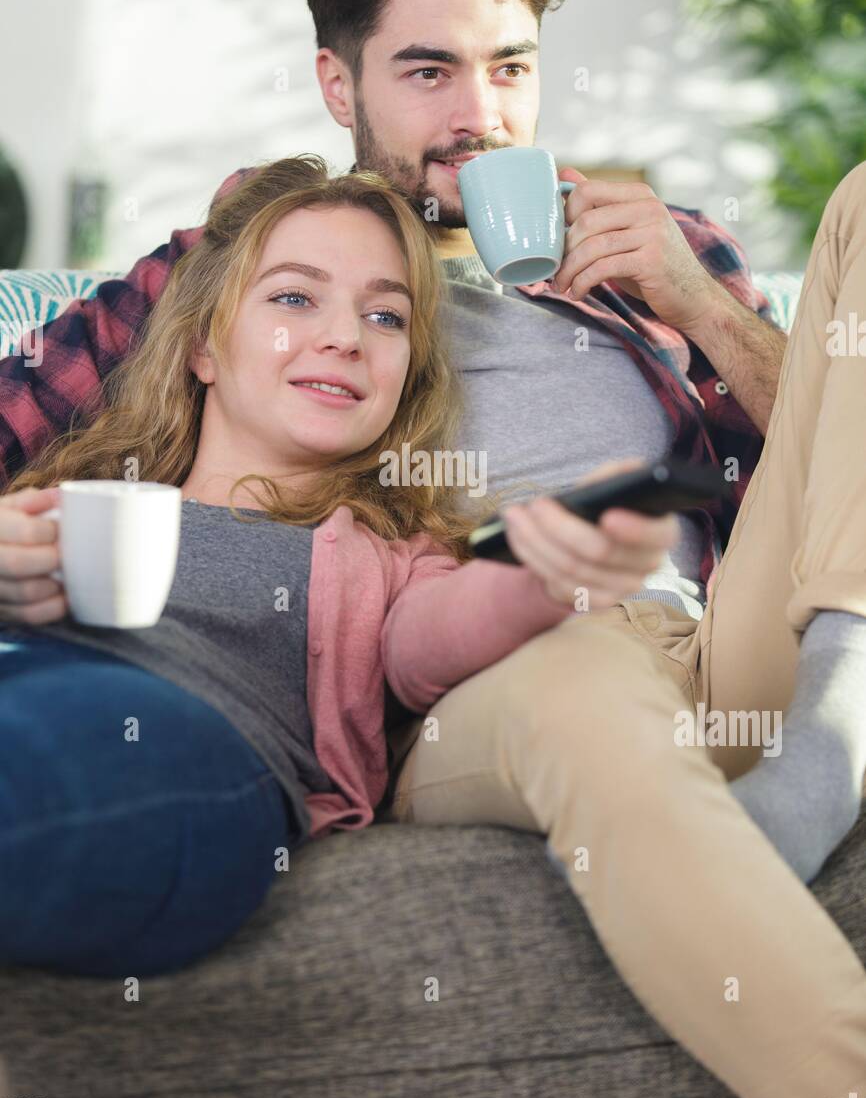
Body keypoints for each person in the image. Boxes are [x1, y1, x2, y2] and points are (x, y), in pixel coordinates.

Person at [1, 0, 864, 1098]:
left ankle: (836, 719)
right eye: (428, 73)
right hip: (509, 660)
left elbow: (836, 456)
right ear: (337, 86)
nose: (480, 117)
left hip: (737, 640)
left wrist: (702, 308)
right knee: (575, 682)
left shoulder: (661, 261)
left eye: (509, 69)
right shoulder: (234, 265)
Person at [0, 155, 673, 982]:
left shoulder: (382, 552)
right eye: (293, 297)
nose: (346, 337)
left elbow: (428, 642)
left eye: (386, 318)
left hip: (181, 742)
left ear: (405, 379)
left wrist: (540, 569)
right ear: (205, 343)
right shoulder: (78, 493)